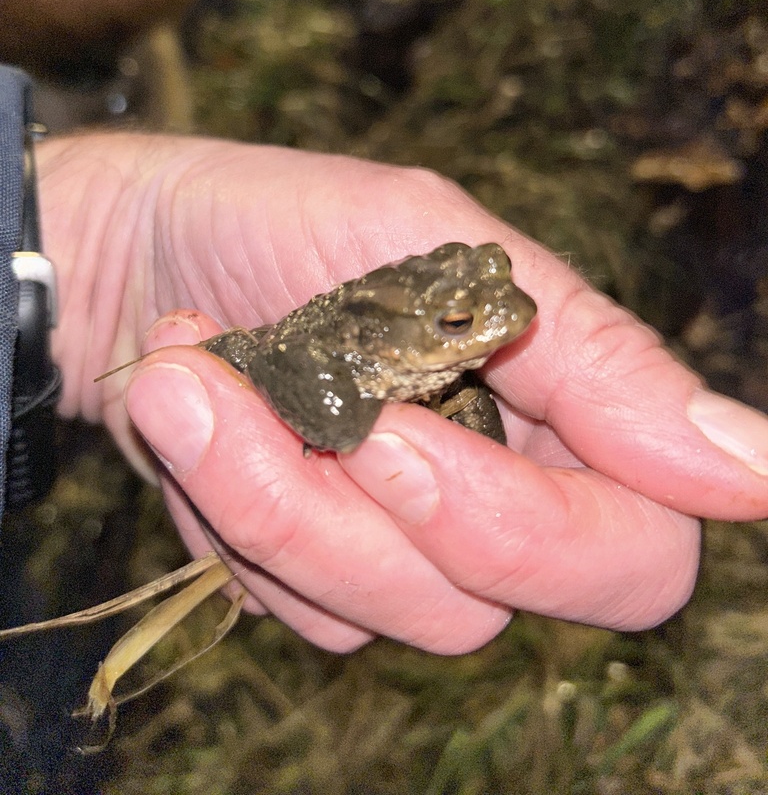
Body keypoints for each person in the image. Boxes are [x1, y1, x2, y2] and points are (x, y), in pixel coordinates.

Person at [25, 123, 768, 656]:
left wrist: (119, 226)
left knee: (467, 446)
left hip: (377, 366)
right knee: (247, 370)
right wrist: (348, 427)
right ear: (430, 325)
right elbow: (286, 362)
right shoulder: (373, 349)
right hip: (292, 357)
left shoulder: (449, 367)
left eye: (495, 282)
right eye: (460, 319)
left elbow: (466, 400)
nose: (507, 320)